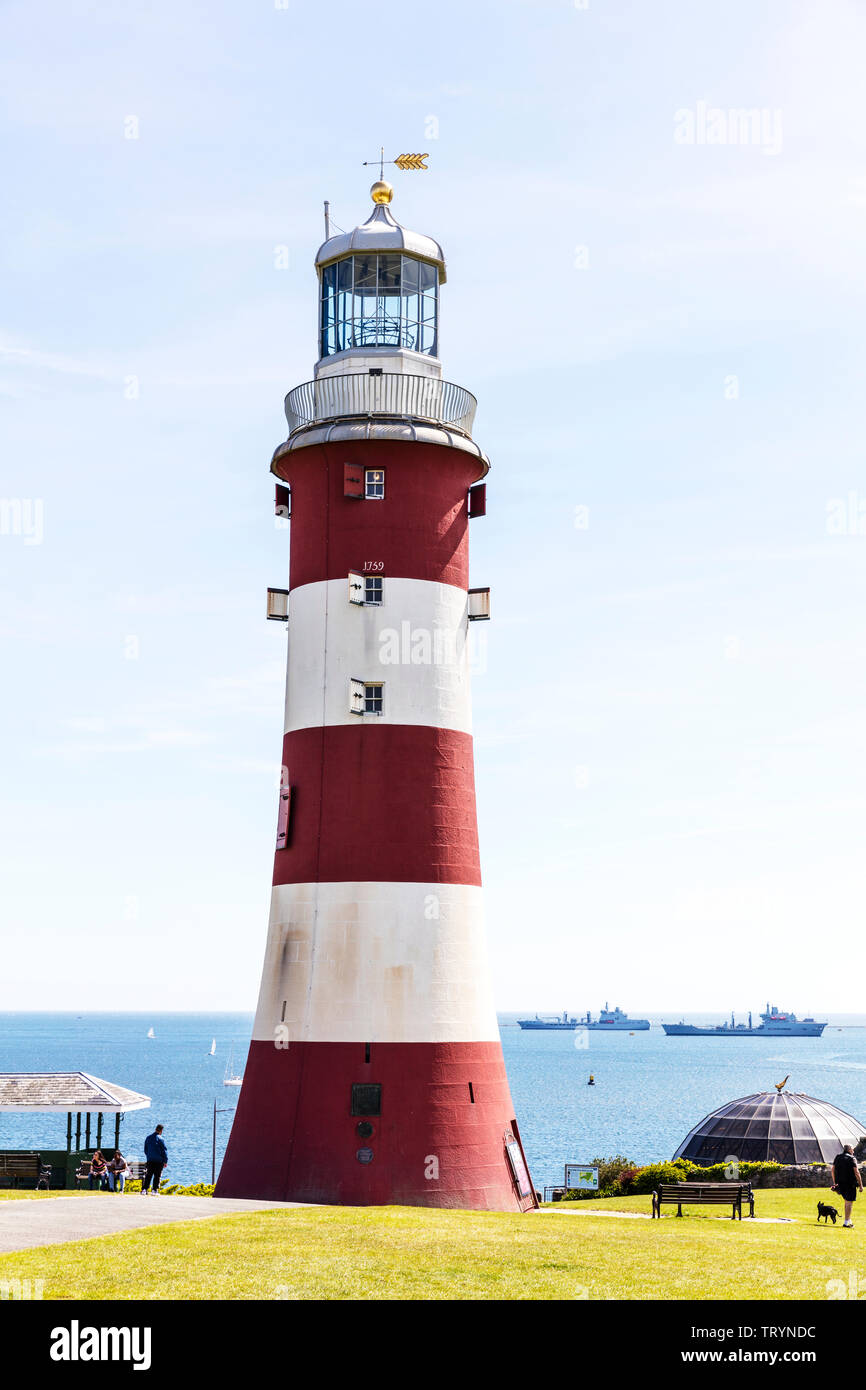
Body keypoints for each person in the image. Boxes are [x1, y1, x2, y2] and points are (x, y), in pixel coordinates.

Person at [831, 1143, 863, 1227]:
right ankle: (846, 1223)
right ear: (849, 1150)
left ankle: (849, 1220)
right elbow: (856, 1172)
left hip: (840, 1184)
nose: (853, 1151)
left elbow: (832, 1170)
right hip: (850, 1184)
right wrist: (861, 1185)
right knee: (849, 1203)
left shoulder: (838, 1157)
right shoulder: (852, 1158)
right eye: (852, 1149)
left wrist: (835, 1183)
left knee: (846, 1202)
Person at [142, 1124, 168, 1195]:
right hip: (159, 1161)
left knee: (148, 1175)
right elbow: (164, 1151)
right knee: (157, 1175)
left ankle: (144, 1189)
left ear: (156, 1129)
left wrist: (149, 1156)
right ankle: (154, 1190)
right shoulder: (161, 1139)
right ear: (161, 1130)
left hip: (150, 1160)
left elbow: (145, 1149)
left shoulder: (148, 1138)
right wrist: (165, 1161)